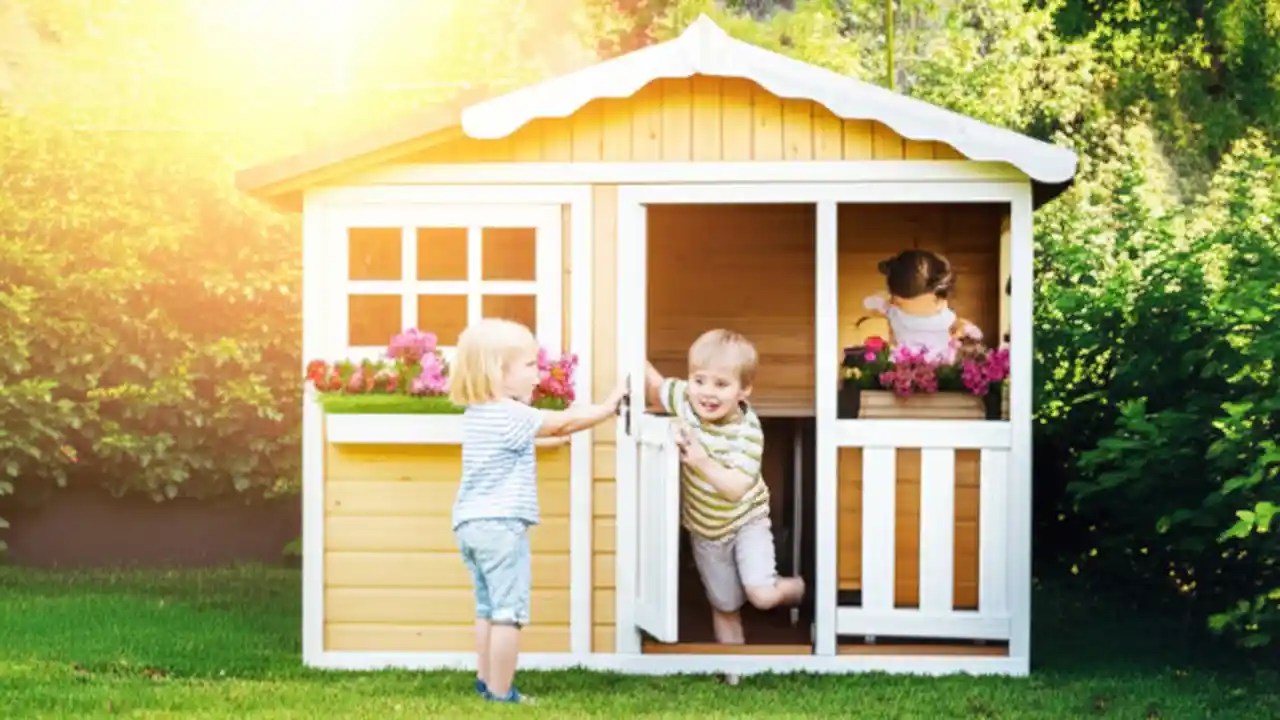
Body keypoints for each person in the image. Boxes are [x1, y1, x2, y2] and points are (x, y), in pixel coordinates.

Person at [449, 318, 626, 704]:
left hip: (471, 524)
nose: (538, 373)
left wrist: (549, 441)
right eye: (530, 366)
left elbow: (518, 444)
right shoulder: (512, 414)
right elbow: (565, 421)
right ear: (500, 372)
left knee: (487, 607)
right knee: (508, 612)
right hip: (501, 527)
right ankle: (501, 692)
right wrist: (608, 408)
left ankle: (485, 679)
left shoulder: (480, 413)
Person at [644, 329, 805, 684]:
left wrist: (700, 461)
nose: (706, 392)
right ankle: (735, 676)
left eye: (720, 384)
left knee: (760, 594)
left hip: (747, 520)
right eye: (698, 380)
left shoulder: (748, 431)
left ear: (744, 390)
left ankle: (799, 590)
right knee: (725, 605)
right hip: (705, 530)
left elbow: (734, 489)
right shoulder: (685, 399)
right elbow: (653, 383)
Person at [863, 249, 982, 360]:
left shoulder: (943, 316)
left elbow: (962, 326)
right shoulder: (897, 313)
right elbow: (869, 303)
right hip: (903, 368)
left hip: (939, 367)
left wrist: (964, 329)